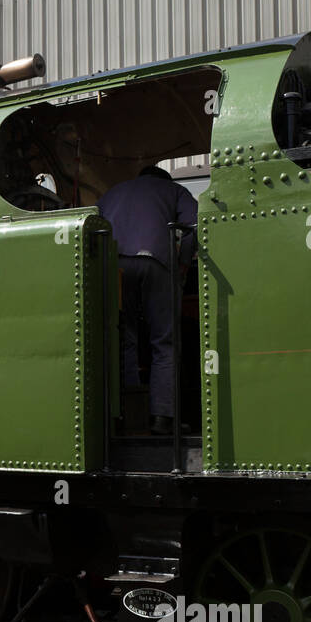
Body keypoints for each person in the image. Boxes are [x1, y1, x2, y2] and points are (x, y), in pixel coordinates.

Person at [98, 165, 198, 435]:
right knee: (164, 342)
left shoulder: (112, 192)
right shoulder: (175, 190)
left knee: (125, 340)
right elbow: (194, 227)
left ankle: (129, 415)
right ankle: (162, 417)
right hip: (156, 262)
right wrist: (184, 264)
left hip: (115, 263)